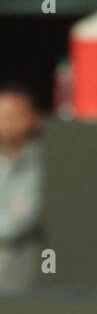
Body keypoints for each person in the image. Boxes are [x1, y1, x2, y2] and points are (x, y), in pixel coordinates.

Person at [0, 83, 43, 294]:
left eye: (12, 115)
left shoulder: (43, 164)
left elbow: (14, 224)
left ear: (32, 118)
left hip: (19, 274)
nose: (5, 122)